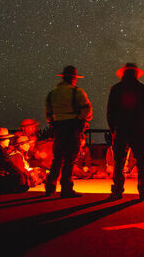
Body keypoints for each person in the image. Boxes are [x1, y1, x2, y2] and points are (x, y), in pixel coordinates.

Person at [44, 66, 93, 198]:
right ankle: (66, 188)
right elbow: (87, 109)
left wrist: (56, 122)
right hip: (72, 127)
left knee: (57, 158)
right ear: (74, 78)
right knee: (70, 158)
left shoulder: (52, 93)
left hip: (58, 128)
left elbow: (48, 113)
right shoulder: (76, 91)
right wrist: (82, 119)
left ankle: (50, 186)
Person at [107, 63, 144, 200]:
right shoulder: (140, 88)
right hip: (138, 128)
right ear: (135, 74)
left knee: (119, 161)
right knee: (142, 160)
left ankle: (117, 190)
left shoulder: (116, 89)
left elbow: (110, 112)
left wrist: (113, 129)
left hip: (121, 128)